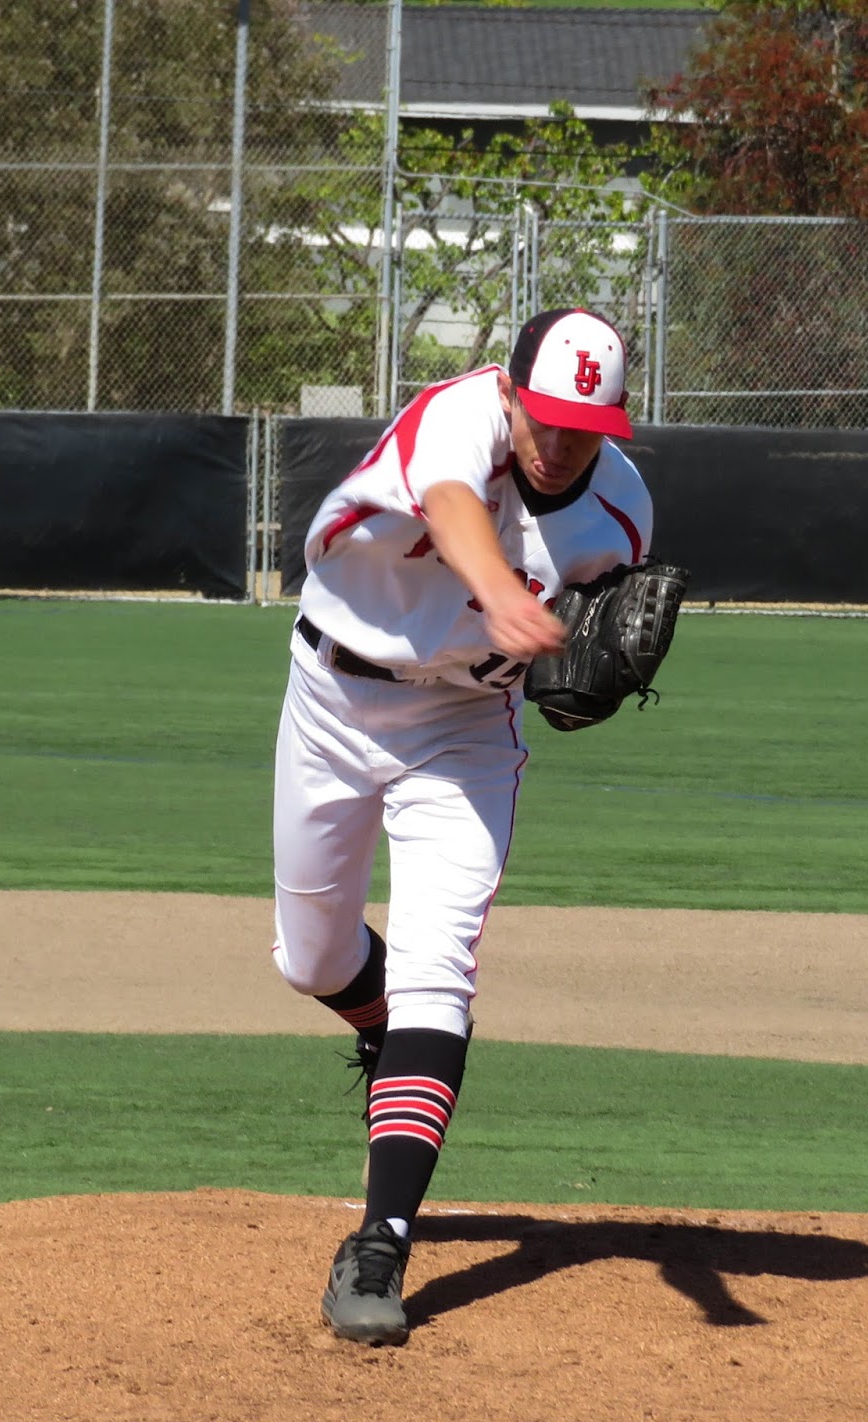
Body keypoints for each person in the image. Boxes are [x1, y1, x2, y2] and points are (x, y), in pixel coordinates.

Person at [271, 307, 655, 1347]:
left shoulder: (620, 513)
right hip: (334, 698)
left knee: (440, 968)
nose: (560, 440)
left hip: (463, 731)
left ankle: (379, 1244)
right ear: (510, 394)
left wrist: (586, 680)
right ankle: (391, 1043)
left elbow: (578, 665)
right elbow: (448, 503)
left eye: (585, 425)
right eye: (545, 416)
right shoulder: (454, 418)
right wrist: (498, 594)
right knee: (309, 958)